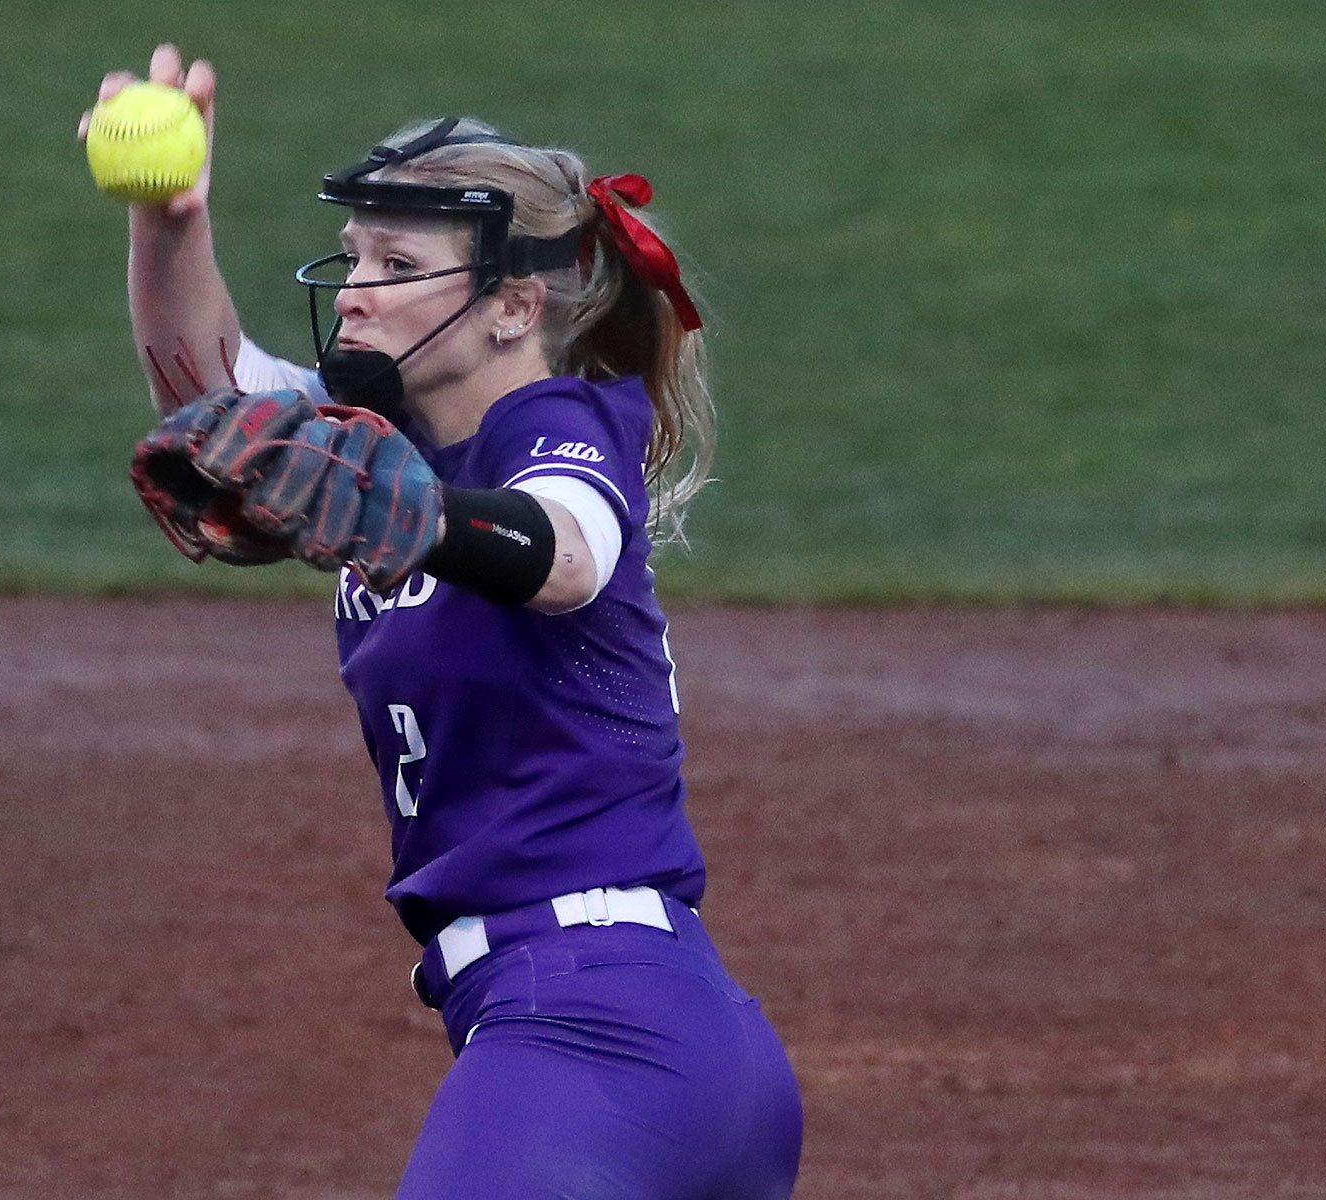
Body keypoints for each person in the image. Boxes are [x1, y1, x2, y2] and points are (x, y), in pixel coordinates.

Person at [84, 43, 803, 1200]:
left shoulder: (561, 427)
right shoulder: (392, 443)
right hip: (615, 1035)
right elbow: (207, 397)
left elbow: (565, 554)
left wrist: (418, 522)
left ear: (514, 305)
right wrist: (171, 221)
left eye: (397, 261)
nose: (355, 283)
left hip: (595, 1030)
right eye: (356, 254)